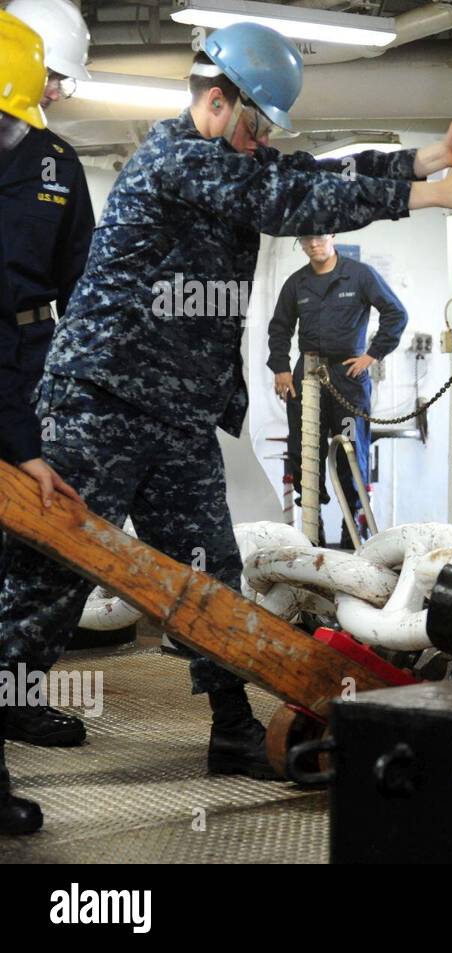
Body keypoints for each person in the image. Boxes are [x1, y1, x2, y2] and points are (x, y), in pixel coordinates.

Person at [0, 20, 452, 824]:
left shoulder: (232, 157)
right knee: (46, 579)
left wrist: (421, 158)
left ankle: (230, 725)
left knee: (208, 575)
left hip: (177, 414)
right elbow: (288, 196)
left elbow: (306, 171)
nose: (262, 142)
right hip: (101, 403)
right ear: (217, 102)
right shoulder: (177, 159)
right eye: (256, 124)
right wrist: (423, 197)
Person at [0, 0, 96, 749]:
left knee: (34, 554)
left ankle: (18, 698)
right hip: (9, 398)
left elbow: (82, 293)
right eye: (52, 77)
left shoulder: (57, 165)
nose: (56, 94)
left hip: (34, 373)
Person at [268, 234, 407, 546]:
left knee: (350, 453)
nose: (313, 244)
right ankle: (311, 528)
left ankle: (352, 531)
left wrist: (372, 355)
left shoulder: (360, 275)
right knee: (303, 451)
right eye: (306, 239)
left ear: (332, 236)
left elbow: (396, 314)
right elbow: (279, 327)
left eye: (318, 237)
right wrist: (281, 368)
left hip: (348, 375)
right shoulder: (296, 283)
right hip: (307, 375)